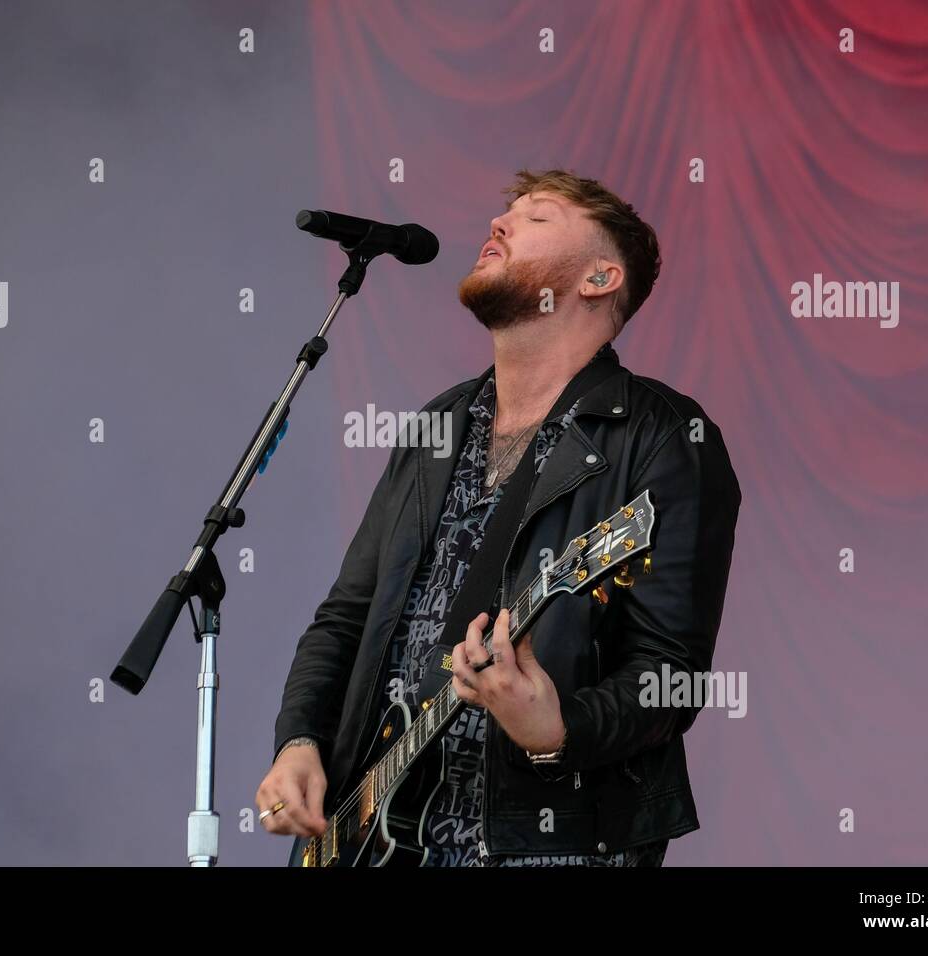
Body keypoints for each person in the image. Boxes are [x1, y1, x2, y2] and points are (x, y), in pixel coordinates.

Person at [256, 168, 741, 866]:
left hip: (551, 846)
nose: (501, 224)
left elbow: (671, 673)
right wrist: (299, 740)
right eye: (505, 213)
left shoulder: (662, 437)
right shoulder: (440, 425)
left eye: (538, 217)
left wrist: (554, 727)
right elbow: (346, 618)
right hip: (378, 837)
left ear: (599, 278)